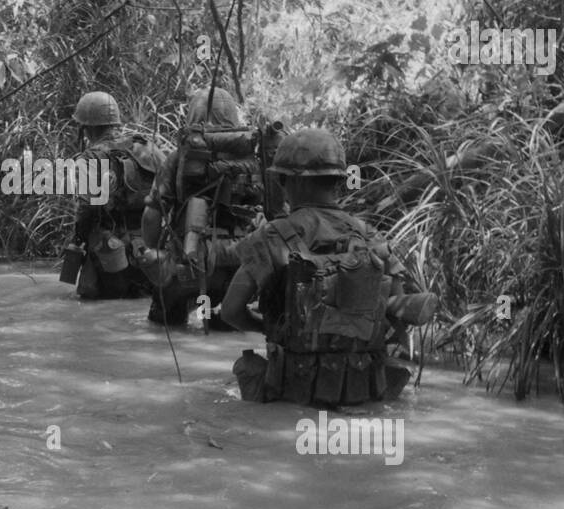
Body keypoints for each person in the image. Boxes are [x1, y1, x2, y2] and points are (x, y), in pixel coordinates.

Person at [220, 127, 437, 406]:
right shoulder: (369, 235)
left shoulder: (271, 236)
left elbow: (229, 311)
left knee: (245, 368)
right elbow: (392, 307)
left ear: (287, 181)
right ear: (337, 180)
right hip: (362, 389)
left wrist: (270, 327)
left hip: (291, 390)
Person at [138, 87, 263, 327]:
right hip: (240, 270)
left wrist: (154, 252)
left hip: (188, 264)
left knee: (164, 323)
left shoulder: (179, 159)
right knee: (228, 328)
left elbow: (152, 215)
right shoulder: (253, 161)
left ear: (192, 117)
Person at [64, 91, 166, 299]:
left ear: (87, 128)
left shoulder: (91, 157)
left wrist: (78, 240)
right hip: (152, 250)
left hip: (111, 254)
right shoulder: (148, 149)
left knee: (96, 303)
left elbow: (87, 208)